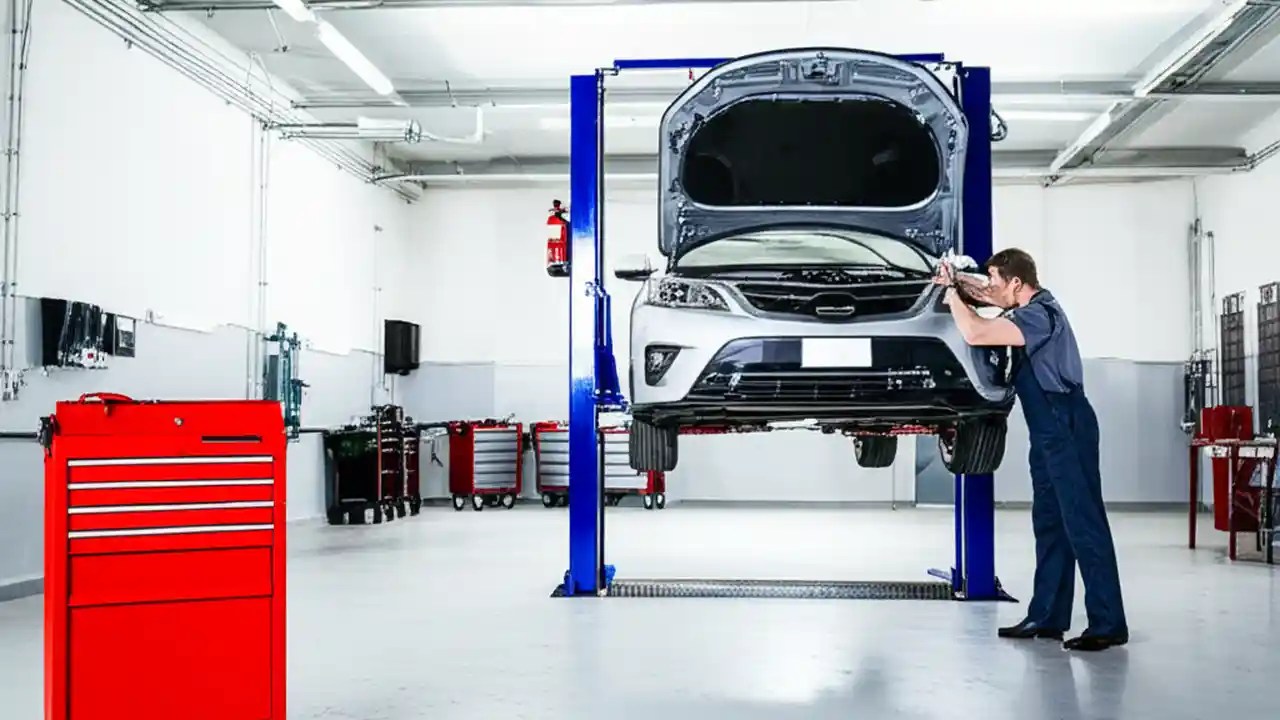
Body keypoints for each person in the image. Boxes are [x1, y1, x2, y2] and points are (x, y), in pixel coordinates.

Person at [935, 248, 1128, 652]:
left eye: (995, 281)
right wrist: (956, 279)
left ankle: (1108, 623)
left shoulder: (1040, 315)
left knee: (1082, 521)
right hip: (1047, 431)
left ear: (1017, 284)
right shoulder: (1025, 305)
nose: (989, 288)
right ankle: (1047, 616)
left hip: (1066, 424)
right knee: (1050, 524)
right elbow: (987, 298)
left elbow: (976, 332)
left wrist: (953, 296)